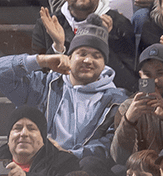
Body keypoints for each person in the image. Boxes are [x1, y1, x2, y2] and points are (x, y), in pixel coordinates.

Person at [0, 20, 128, 162]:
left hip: (83, 168)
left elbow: (109, 145)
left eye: (96, 56)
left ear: (104, 64)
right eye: (82, 53)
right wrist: (41, 60)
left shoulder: (117, 100)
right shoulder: (44, 85)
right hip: (41, 163)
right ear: (70, 57)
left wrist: (68, 154)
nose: (87, 60)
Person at [32, 0, 137, 94]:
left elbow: (130, 83)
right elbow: (37, 83)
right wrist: (57, 48)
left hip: (107, 104)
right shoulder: (46, 24)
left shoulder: (119, 24)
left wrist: (103, 41)